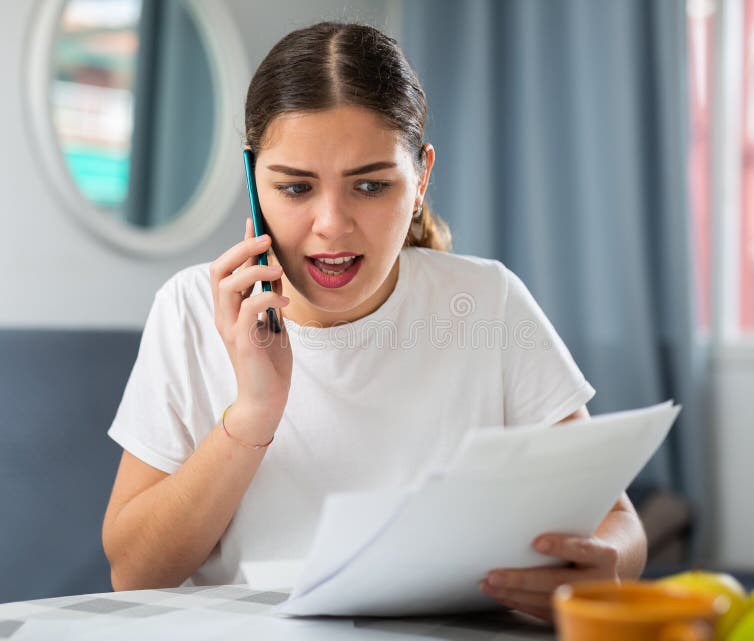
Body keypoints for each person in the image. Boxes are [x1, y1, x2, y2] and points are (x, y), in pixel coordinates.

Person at [101, 21, 646, 621]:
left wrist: (606, 567)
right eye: (295, 187)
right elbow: (134, 573)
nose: (332, 223)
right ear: (253, 182)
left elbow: (618, 521)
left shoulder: (487, 301)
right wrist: (253, 413)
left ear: (420, 180)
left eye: (369, 185)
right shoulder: (189, 310)